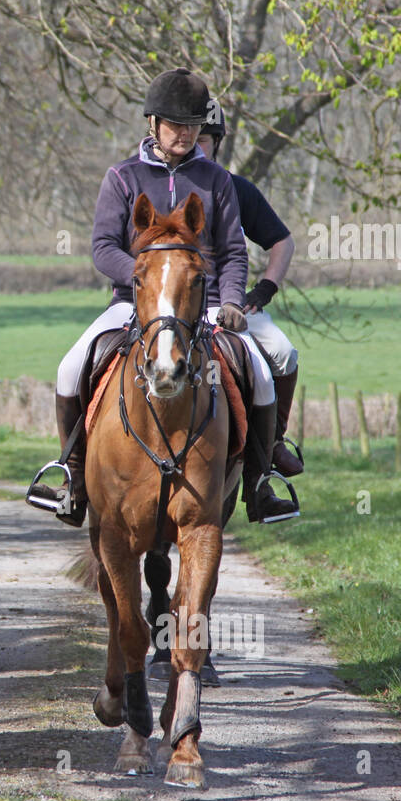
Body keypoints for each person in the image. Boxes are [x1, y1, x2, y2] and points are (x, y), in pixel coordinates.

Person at [27, 67, 298, 527]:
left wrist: (234, 301)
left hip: (206, 304)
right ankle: (72, 477)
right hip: (133, 302)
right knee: (70, 368)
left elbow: (234, 251)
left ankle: (259, 482)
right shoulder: (122, 177)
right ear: (152, 123)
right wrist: (144, 279)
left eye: (192, 125)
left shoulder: (217, 180)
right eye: (175, 125)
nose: (185, 134)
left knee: (262, 373)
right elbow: (103, 247)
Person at [197, 109, 303, 479]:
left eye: (202, 140)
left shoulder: (236, 188)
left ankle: (272, 446)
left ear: (216, 143)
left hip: (227, 305)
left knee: (284, 353)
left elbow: (283, 242)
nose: (193, 147)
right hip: (170, 305)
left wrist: (263, 290)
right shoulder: (158, 184)